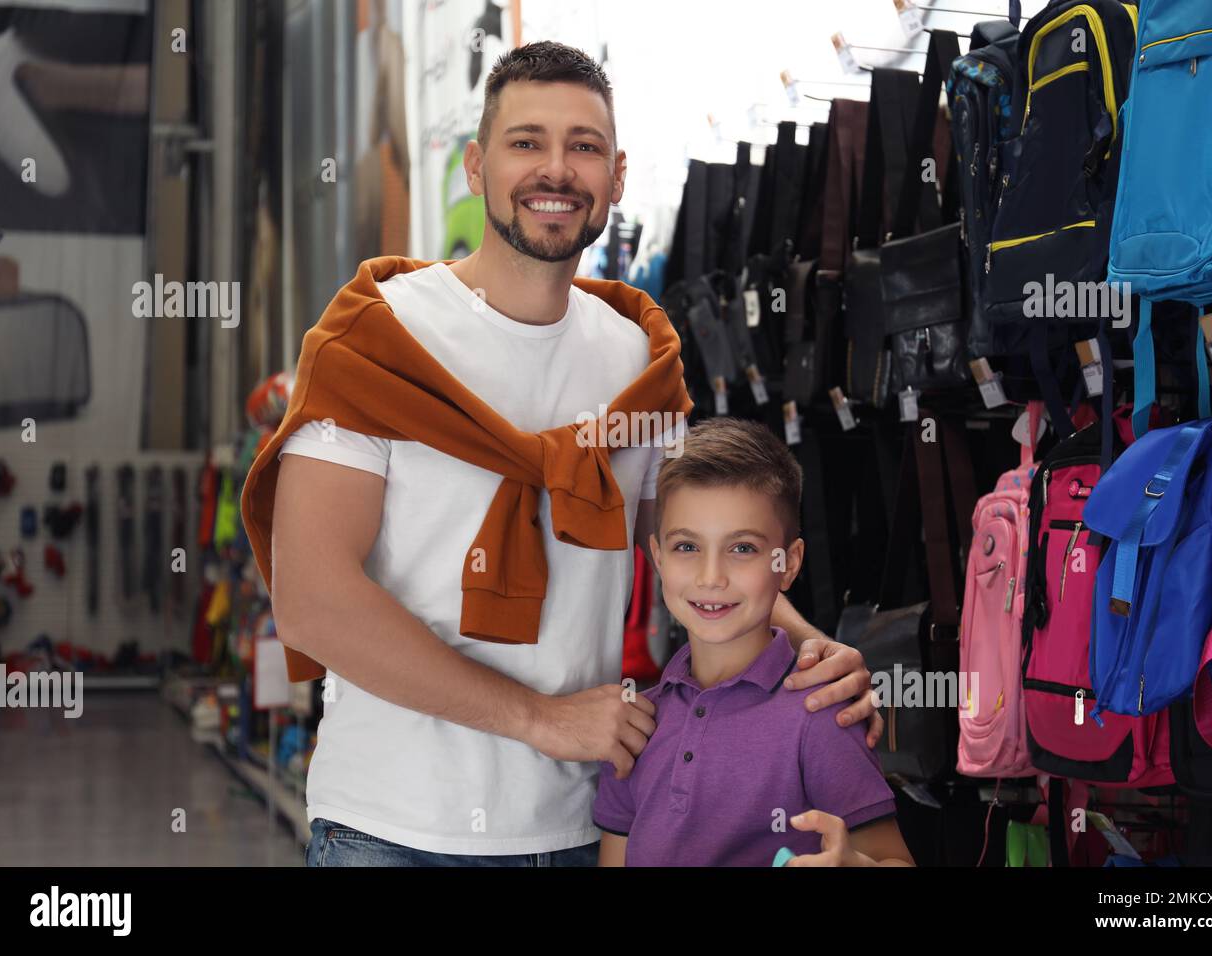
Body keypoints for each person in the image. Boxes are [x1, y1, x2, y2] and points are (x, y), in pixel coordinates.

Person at [247, 39, 883, 868]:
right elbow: (312, 600)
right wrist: (539, 720)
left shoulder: (637, 359)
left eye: (583, 147)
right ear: (476, 167)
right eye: (526, 142)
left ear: (616, 178)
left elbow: (704, 549)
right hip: (390, 827)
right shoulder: (377, 339)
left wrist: (810, 649)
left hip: (581, 826)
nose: (556, 170)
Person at [595, 418, 913, 867]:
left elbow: (894, 859)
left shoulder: (819, 714)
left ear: (790, 562)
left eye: (742, 548)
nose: (711, 577)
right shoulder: (635, 726)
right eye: (687, 547)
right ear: (658, 557)